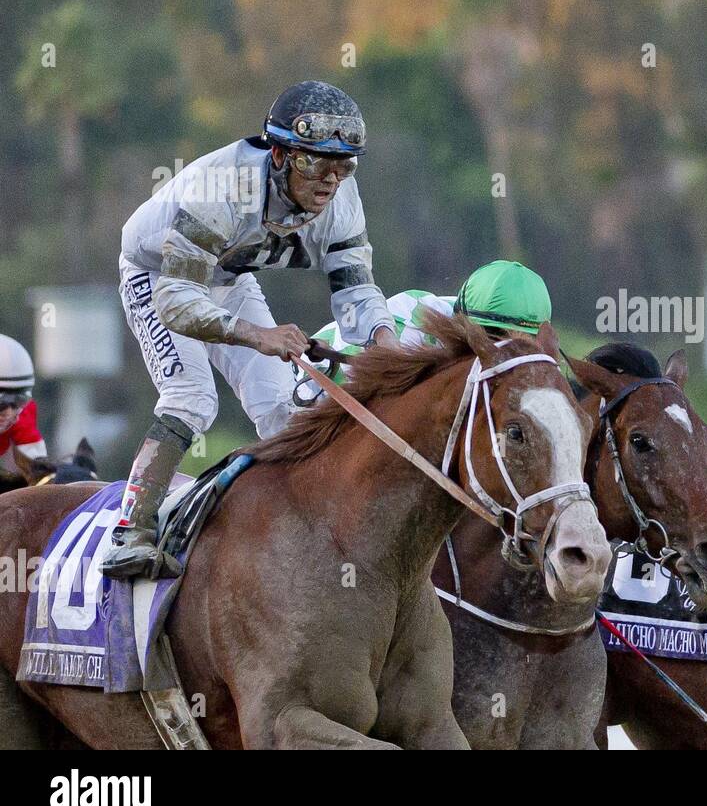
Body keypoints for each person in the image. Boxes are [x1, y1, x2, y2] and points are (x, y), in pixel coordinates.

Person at [103, 81, 398, 580]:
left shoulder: (343, 199)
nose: (330, 180)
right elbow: (177, 303)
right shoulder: (224, 186)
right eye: (315, 163)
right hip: (160, 276)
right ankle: (131, 530)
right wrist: (258, 336)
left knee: (283, 410)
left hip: (229, 277)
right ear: (279, 154)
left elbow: (356, 293)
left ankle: (297, 531)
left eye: (343, 165)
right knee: (192, 397)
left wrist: (385, 342)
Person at [298, 260, 551, 400]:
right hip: (305, 397)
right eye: (490, 335)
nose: (498, 349)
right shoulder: (408, 333)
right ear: (460, 319)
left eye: (516, 342)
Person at [0, 334, 47, 474]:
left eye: (18, 400)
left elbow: (39, 471)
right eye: (1, 402)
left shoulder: (24, 413)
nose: (9, 412)